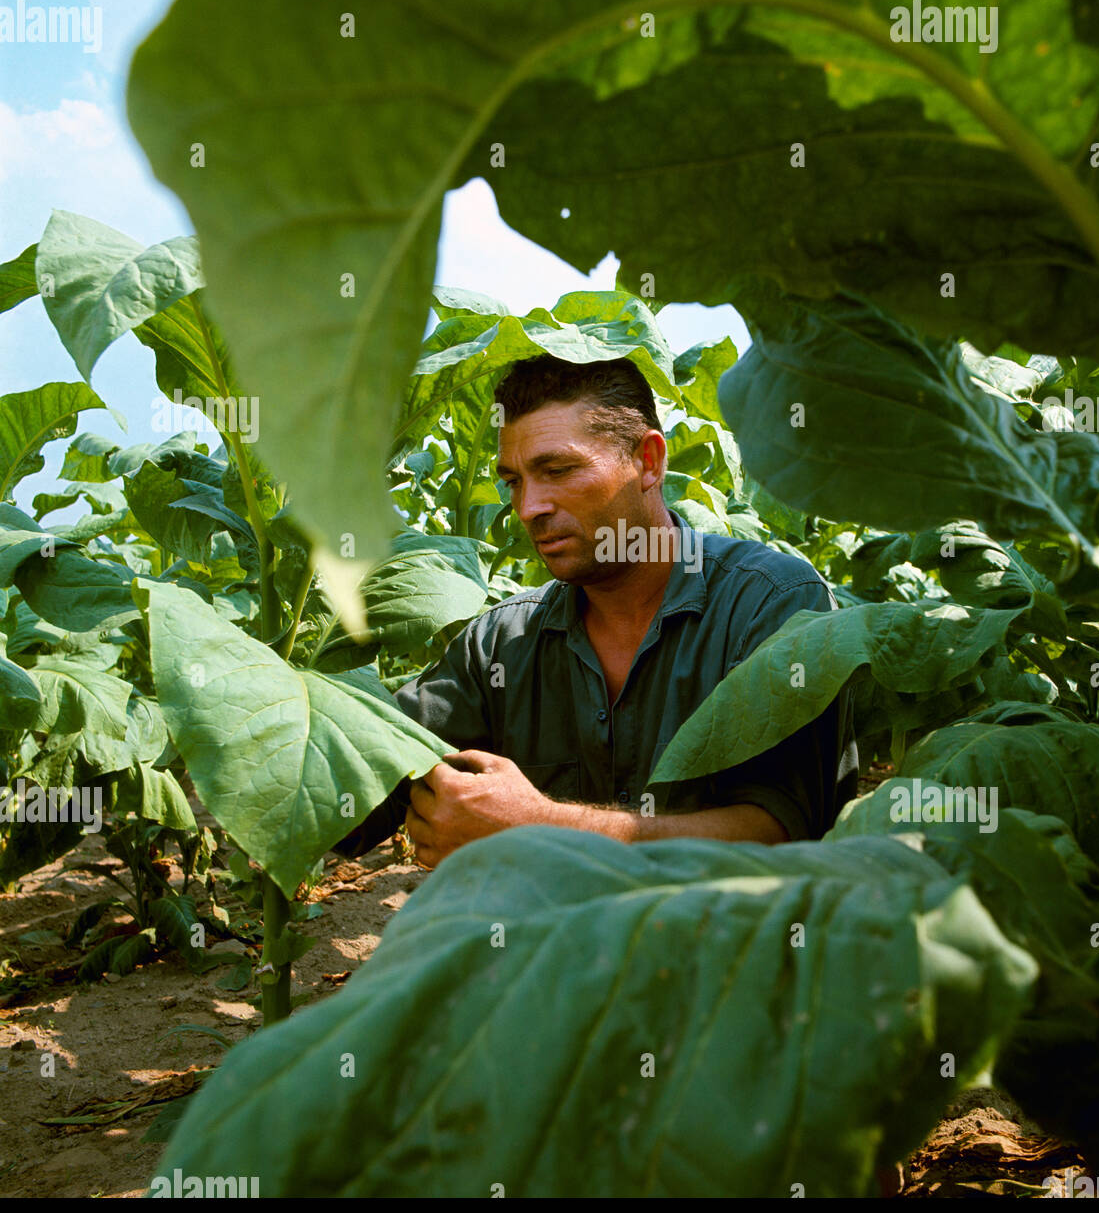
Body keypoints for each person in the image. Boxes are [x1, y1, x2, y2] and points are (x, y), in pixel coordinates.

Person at [333, 353, 857, 870]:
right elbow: (358, 785)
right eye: (514, 481)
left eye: (557, 470)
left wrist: (537, 829)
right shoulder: (500, 643)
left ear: (648, 462)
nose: (528, 507)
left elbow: (786, 837)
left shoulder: (770, 602)